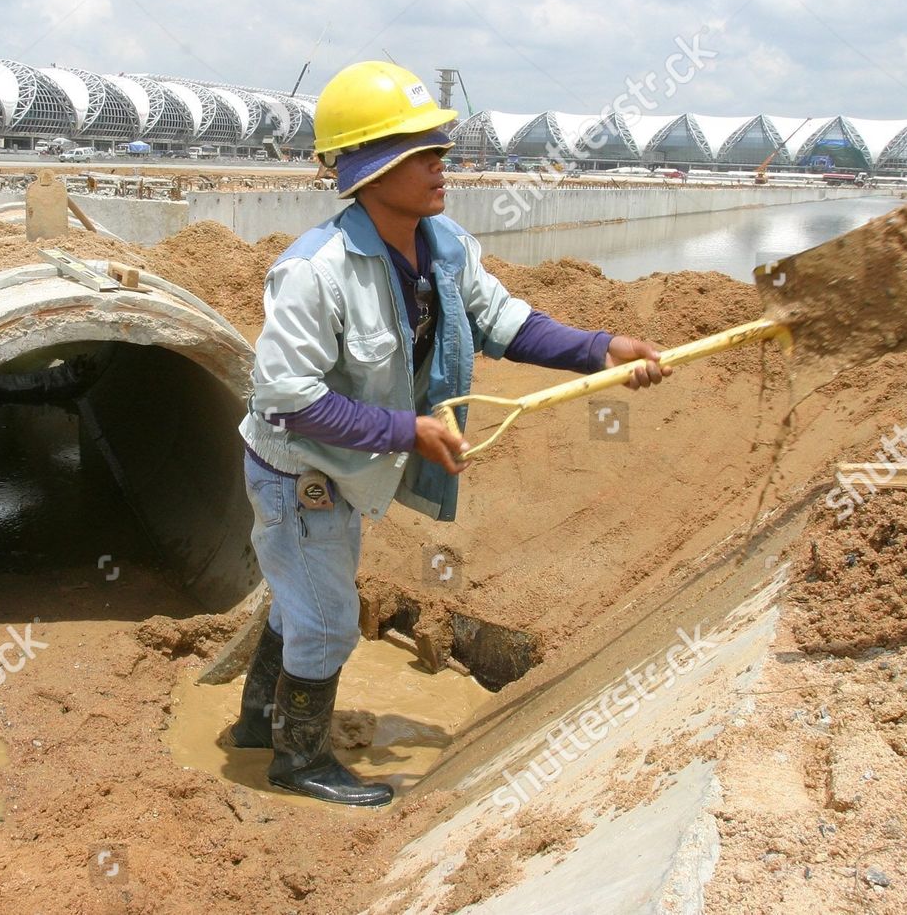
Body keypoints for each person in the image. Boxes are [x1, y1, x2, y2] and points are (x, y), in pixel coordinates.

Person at [230, 62, 670, 807]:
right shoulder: (314, 272)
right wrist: (406, 430)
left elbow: (507, 323)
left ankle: (255, 724)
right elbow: (285, 400)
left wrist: (600, 347)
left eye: (440, 148)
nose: (444, 166)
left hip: (345, 468)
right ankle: (297, 761)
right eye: (423, 153)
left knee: (302, 598)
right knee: (329, 620)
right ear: (373, 167)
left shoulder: (444, 247)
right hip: (297, 471)